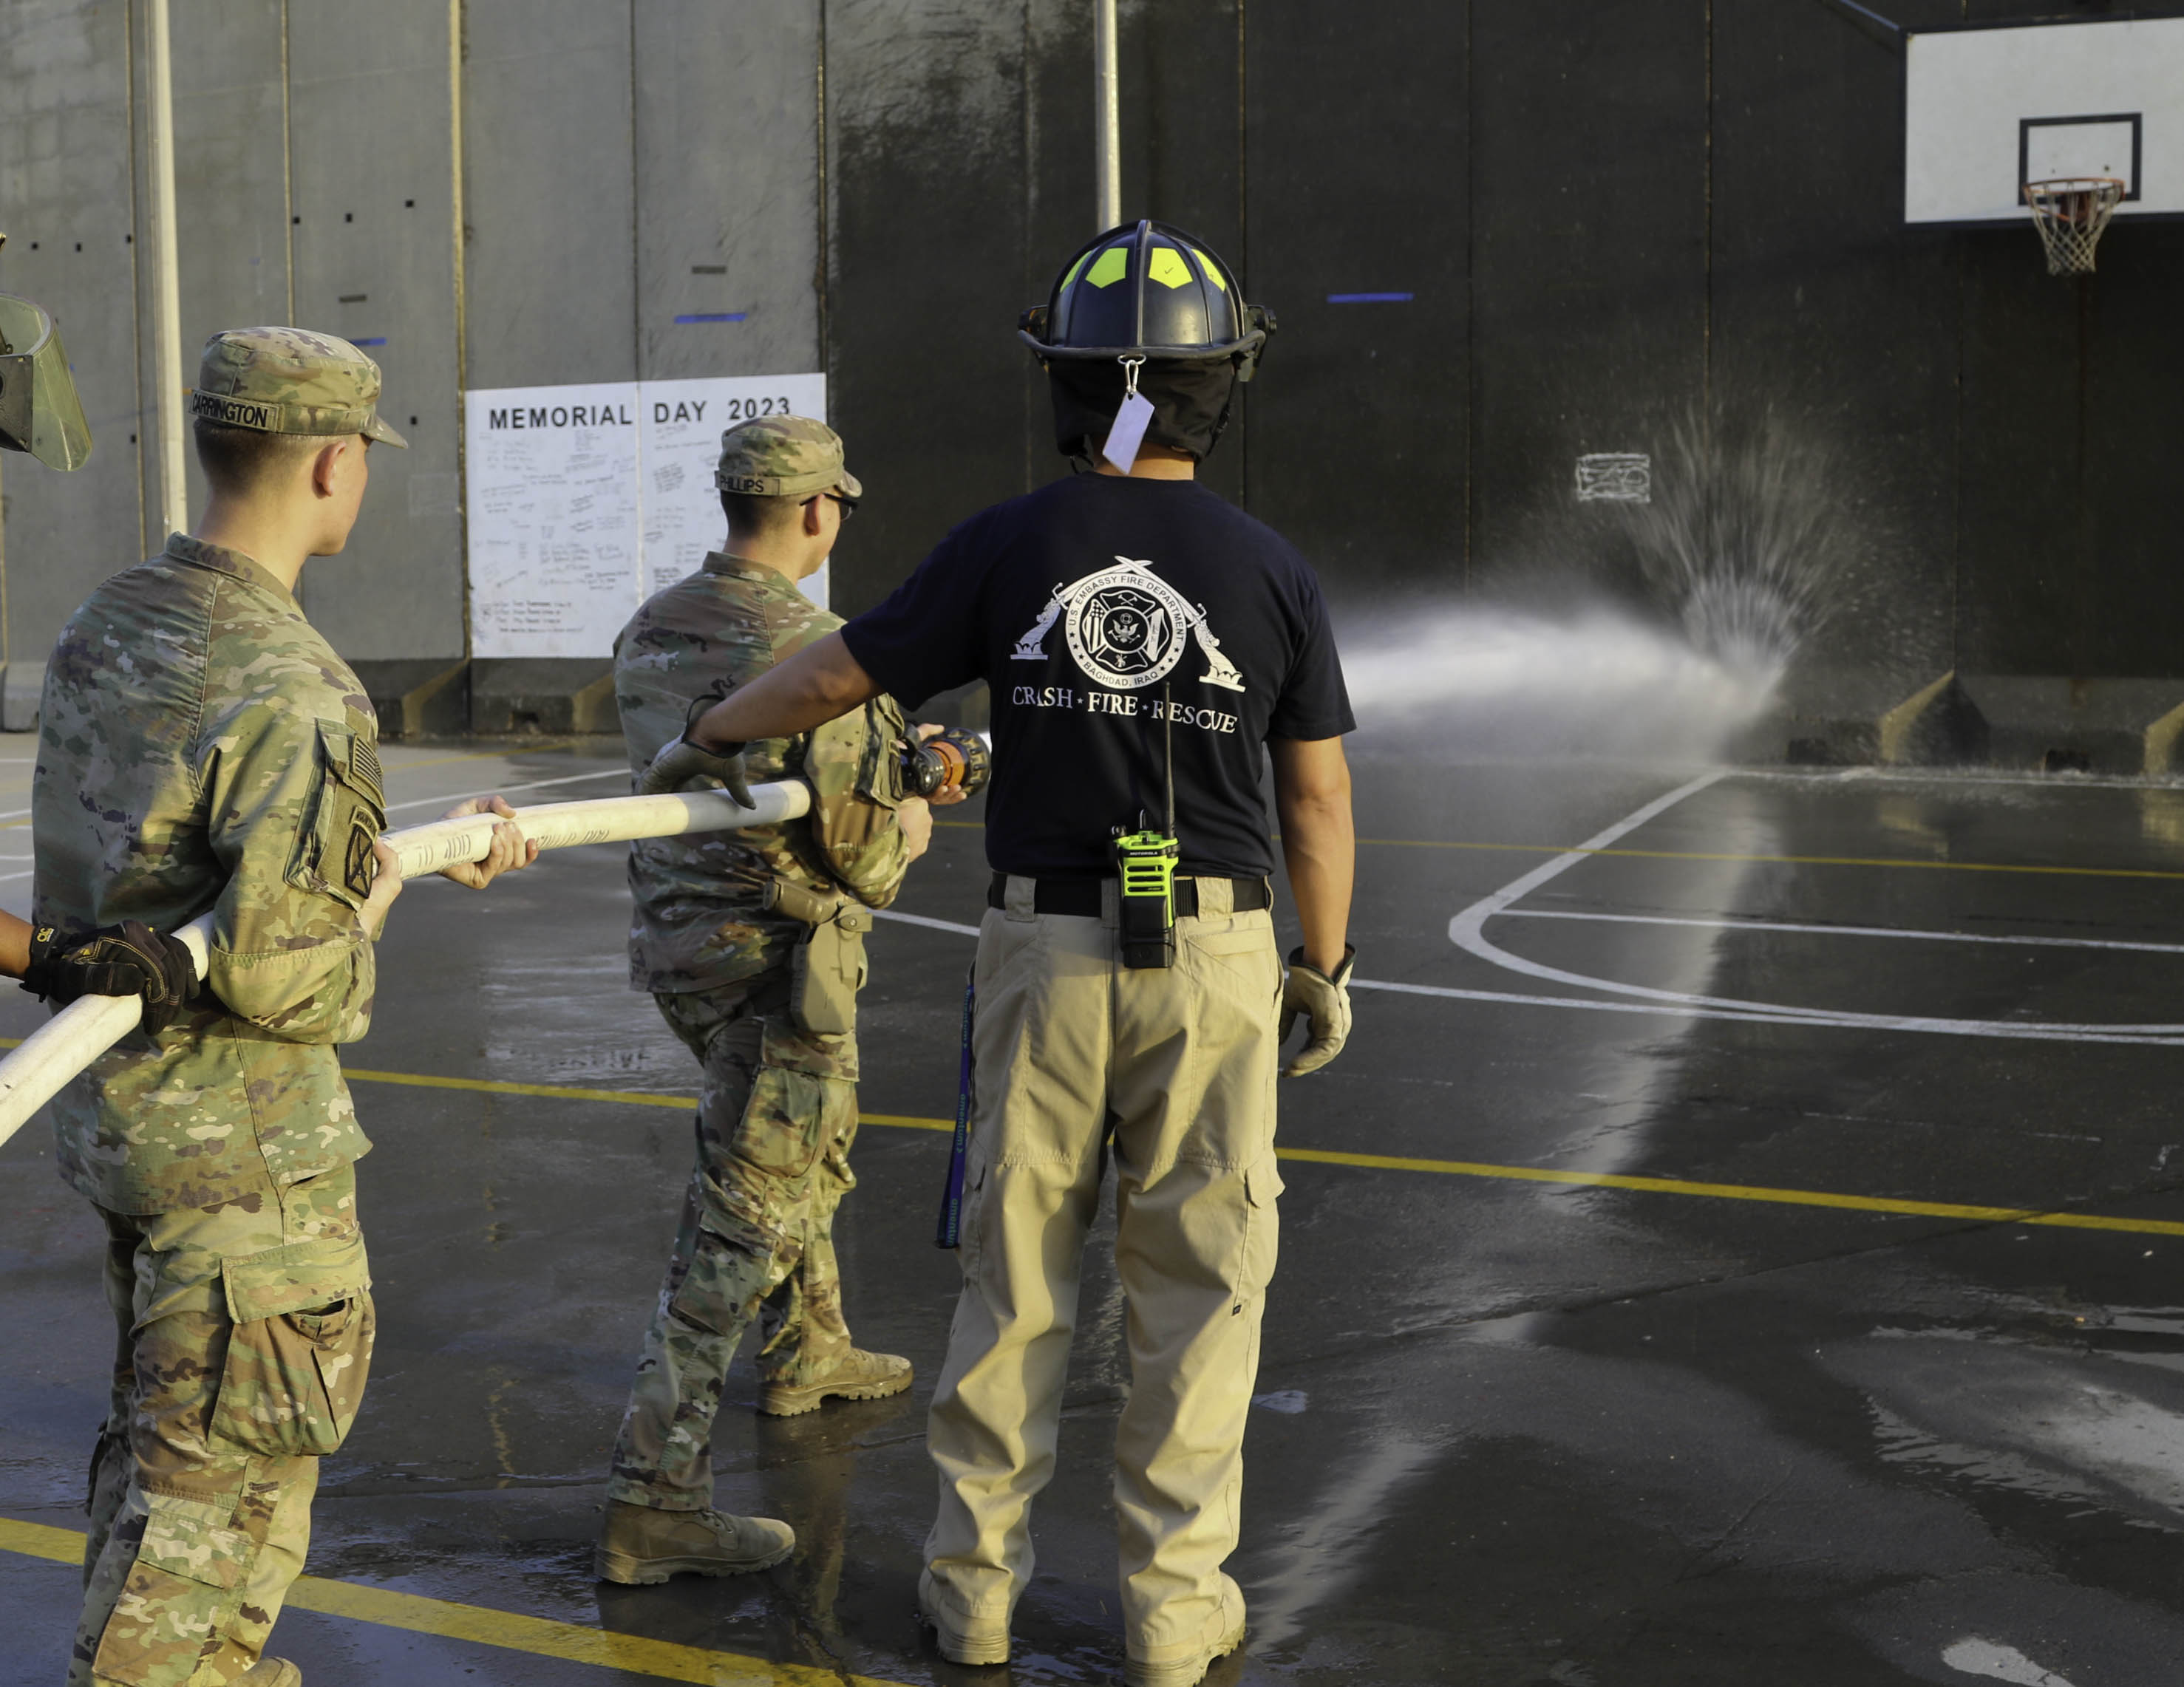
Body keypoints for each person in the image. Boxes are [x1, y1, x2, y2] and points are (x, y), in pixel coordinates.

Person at [639, 221, 1358, 1687]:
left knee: (1014, 1276)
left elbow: (838, 670)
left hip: (1041, 951)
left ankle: (970, 1594)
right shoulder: (1272, 568)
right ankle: (1171, 1609)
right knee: (1199, 1288)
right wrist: (1321, 967)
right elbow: (1318, 794)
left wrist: (714, 730)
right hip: (1217, 959)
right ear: (1217, 387)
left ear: (1070, 388)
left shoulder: (1004, 543)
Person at [33, 327, 536, 1687]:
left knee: (164, 1446)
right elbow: (295, 972)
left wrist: (398, 849)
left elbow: (176, 879)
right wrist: (386, 895)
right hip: (245, 1157)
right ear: (332, 462)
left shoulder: (113, 620)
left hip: (126, 1127)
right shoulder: (299, 687)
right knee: (223, 1490)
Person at [594, 415, 956, 1587]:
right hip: (778, 968)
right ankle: (656, 1500)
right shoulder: (826, 650)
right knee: (742, 1219)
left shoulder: (651, 627)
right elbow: (864, 858)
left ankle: (812, 1351)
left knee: (801, 1151)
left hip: (682, 957)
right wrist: (913, 812)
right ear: (818, 512)